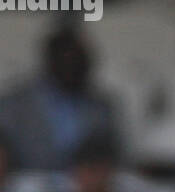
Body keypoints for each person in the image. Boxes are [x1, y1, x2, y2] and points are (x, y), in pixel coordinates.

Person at [0, 27, 118, 172]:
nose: (72, 66)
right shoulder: (15, 103)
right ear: (50, 60)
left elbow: (118, 157)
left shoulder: (102, 106)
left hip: (87, 191)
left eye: (79, 60)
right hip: (24, 189)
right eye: (66, 58)